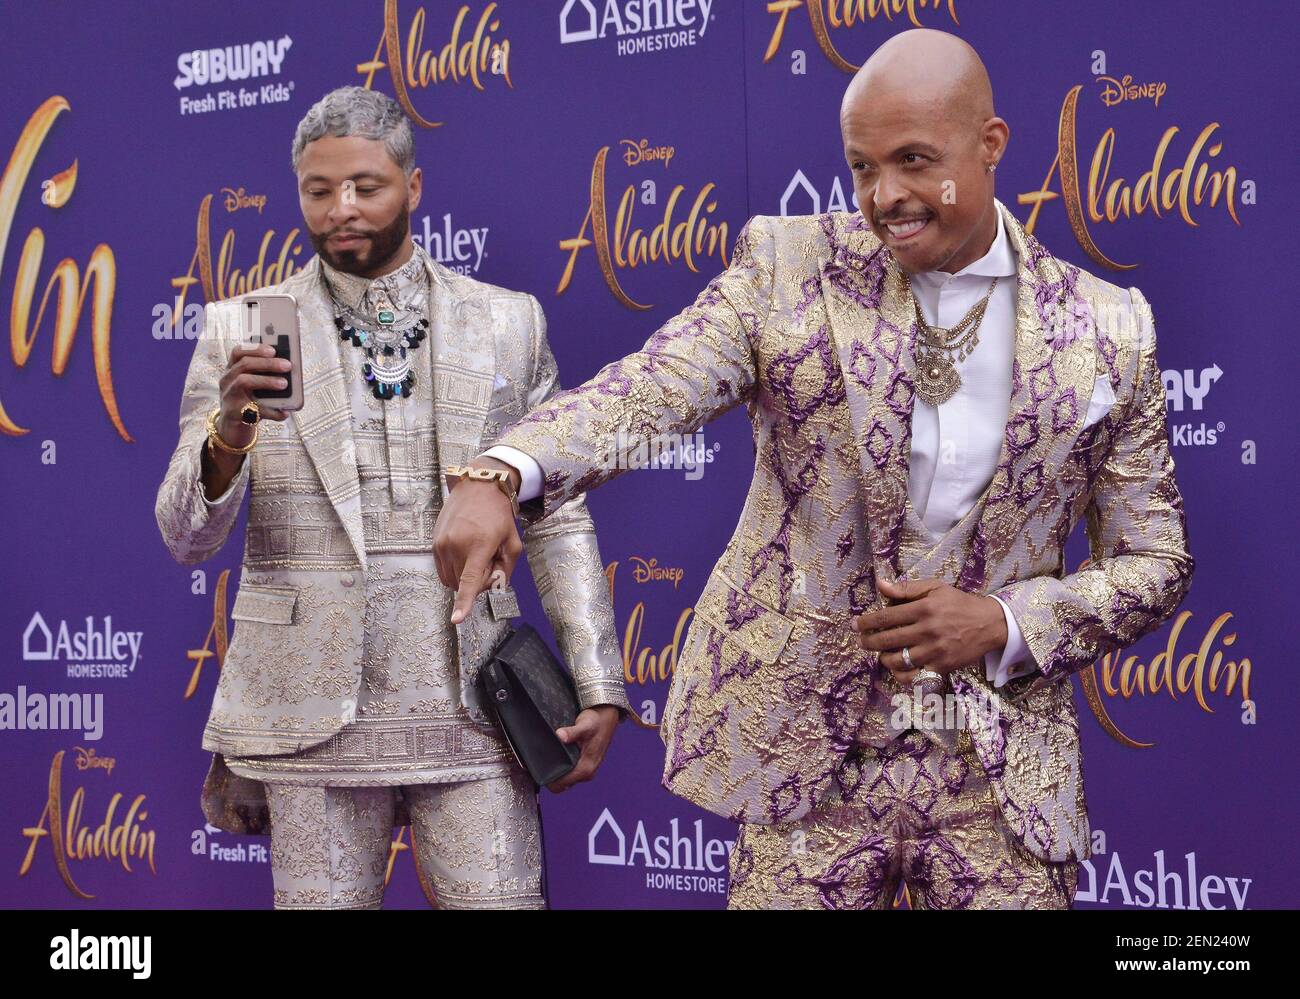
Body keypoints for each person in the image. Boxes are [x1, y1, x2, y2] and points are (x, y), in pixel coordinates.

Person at [432, 30, 1194, 909]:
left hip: (1000, 770)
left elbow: (1155, 561)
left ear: (992, 145)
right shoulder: (787, 269)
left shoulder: (1108, 329)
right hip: (803, 757)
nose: (886, 197)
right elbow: (647, 391)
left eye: (914, 161)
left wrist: (1003, 621)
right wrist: (501, 471)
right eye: (863, 168)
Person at [155, 86, 628, 910]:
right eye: (318, 190)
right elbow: (186, 538)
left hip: (476, 702)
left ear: (413, 186)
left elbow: (556, 511)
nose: (341, 209)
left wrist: (599, 680)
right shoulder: (240, 332)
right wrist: (229, 435)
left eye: (366, 186)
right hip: (308, 709)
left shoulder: (506, 323)